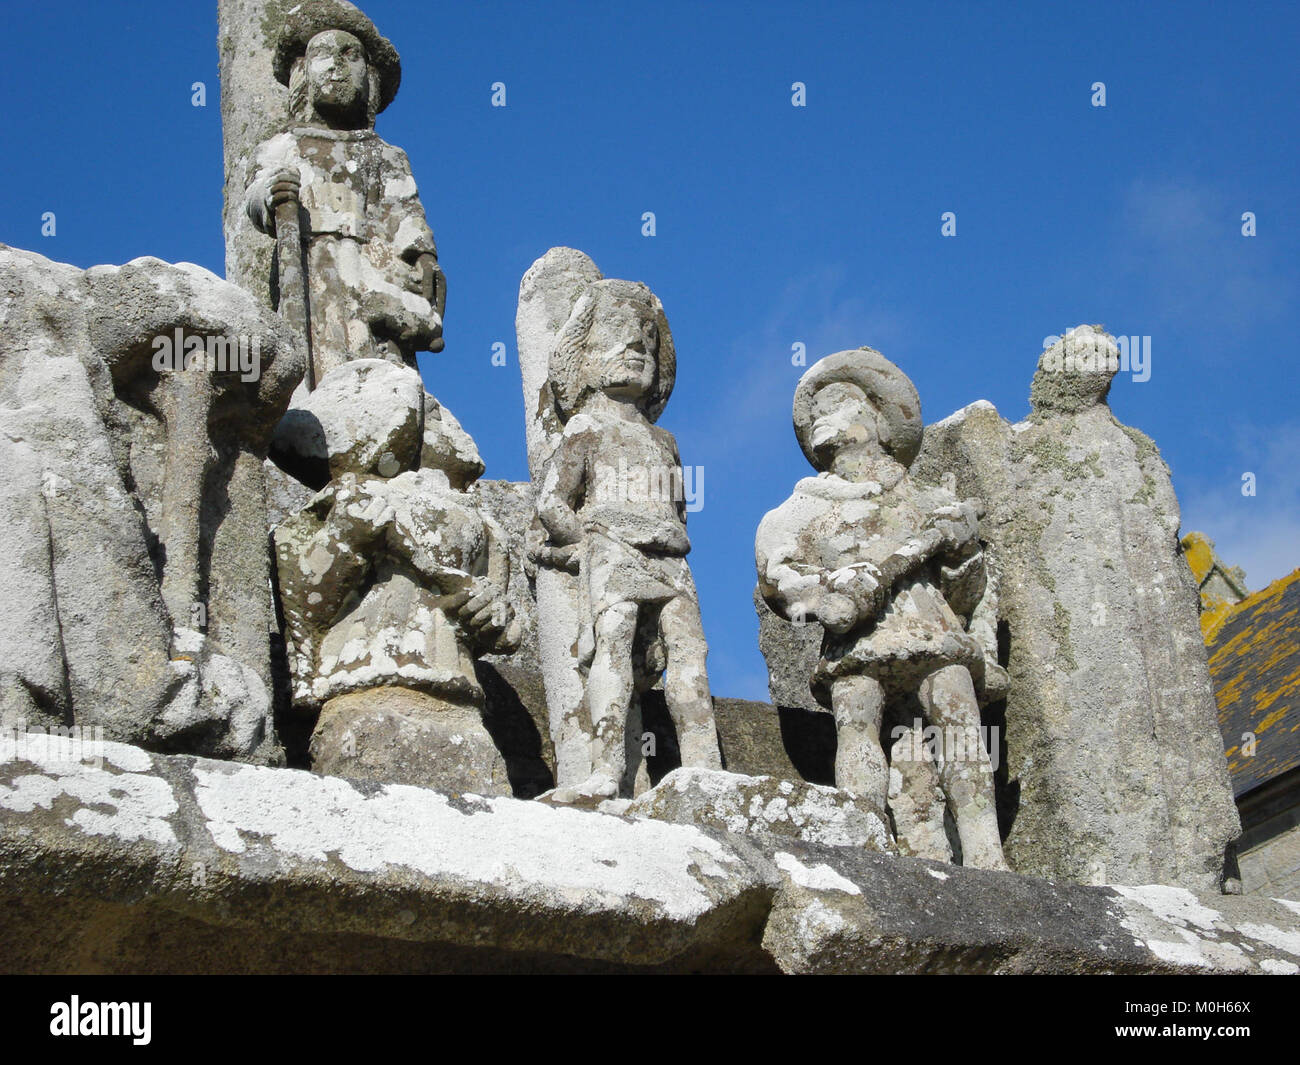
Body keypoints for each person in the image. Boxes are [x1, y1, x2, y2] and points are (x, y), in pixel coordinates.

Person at [756, 348, 1009, 869]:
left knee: (958, 720)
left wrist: (963, 553)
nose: (821, 418)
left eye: (839, 404)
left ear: (877, 415)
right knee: (856, 722)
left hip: (929, 627)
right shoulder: (801, 508)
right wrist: (830, 587)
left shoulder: (927, 499)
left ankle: (986, 850)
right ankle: (864, 841)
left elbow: (968, 594)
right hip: (856, 643)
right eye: (814, 413)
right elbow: (777, 577)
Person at [536, 279, 722, 801]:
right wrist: (592, 542)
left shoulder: (666, 441)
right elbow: (551, 503)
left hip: (669, 558)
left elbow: (678, 510)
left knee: (691, 656)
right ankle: (606, 772)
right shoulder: (584, 429)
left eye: (646, 336)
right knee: (612, 652)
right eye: (616, 334)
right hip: (613, 554)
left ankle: (705, 766)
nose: (637, 346)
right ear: (584, 357)